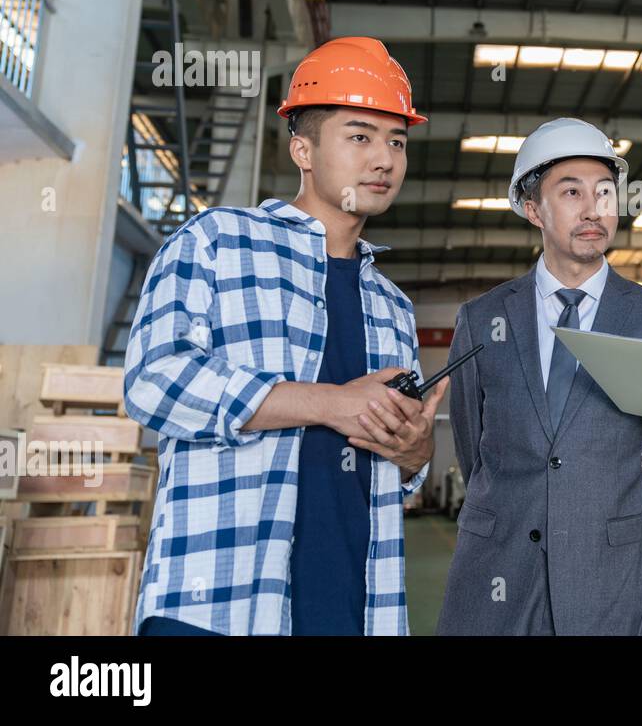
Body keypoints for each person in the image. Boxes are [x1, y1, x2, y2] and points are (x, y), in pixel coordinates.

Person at [124, 36, 442, 635]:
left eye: (396, 141)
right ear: (303, 149)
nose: (384, 159)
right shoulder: (215, 243)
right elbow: (154, 379)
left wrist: (414, 452)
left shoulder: (392, 306)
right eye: (359, 136)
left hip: (356, 607)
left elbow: (394, 472)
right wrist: (331, 402)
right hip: (219, 603)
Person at [438, 118, 642, 635]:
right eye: (570, 192)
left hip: (611, 573)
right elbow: (472, 447)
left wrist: (590, 507)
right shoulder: (483, 319)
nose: (593, 208)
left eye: (603, 192)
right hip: (499, 567)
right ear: (533, 209)